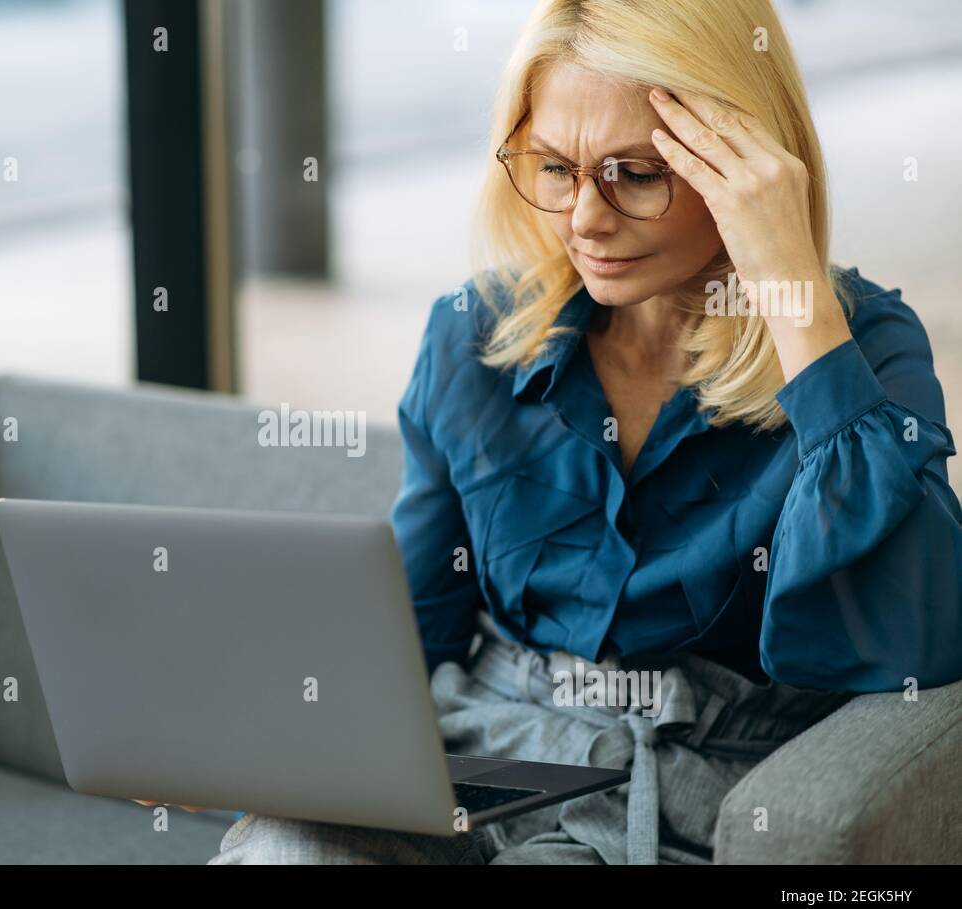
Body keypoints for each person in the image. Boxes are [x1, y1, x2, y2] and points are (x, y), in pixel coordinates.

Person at [202, 0, 962, 863]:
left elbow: (922, 642)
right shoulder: (473, 330)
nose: (586, 221)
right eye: (555, 168)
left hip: (682, 779)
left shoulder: (860, 344)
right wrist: (252, 735)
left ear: (746, 166)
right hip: (487, 745)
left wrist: (791, 288)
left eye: (636, 173)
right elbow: (418, 626)